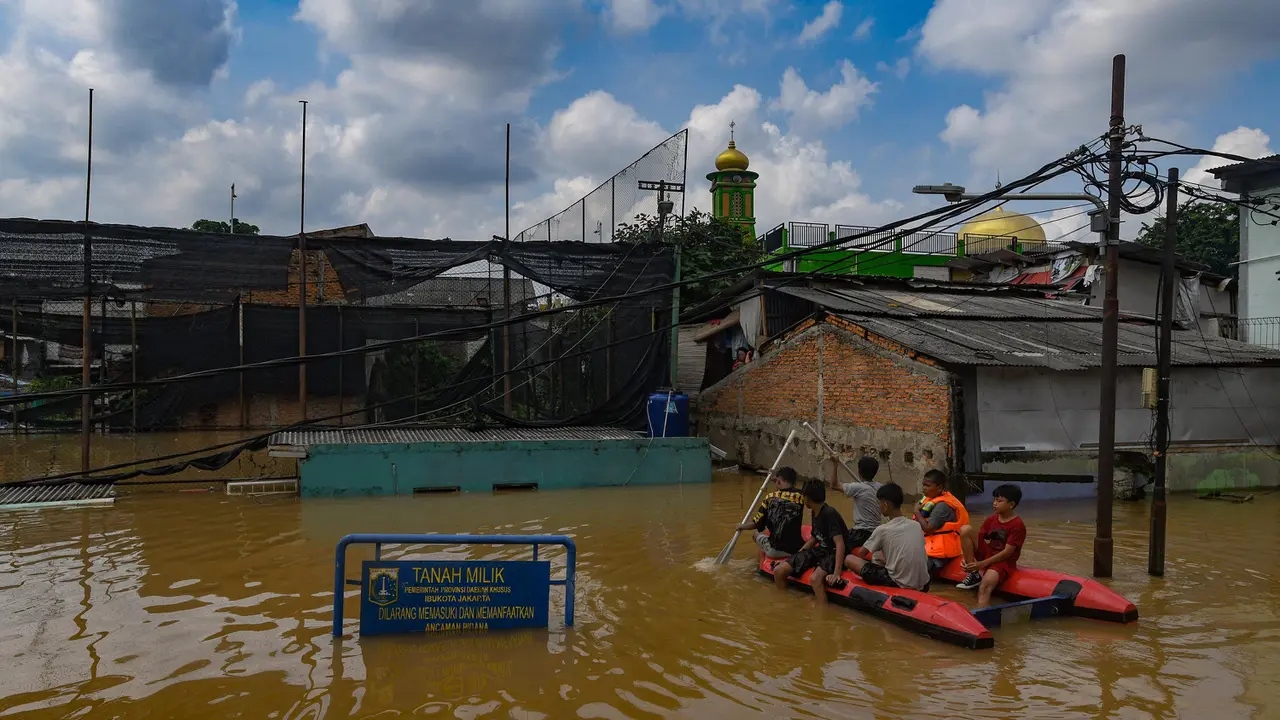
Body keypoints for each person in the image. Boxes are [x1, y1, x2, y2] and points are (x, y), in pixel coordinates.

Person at [771, 479, 848, 603]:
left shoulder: (829, 513)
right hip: (820, 550)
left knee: (815, 579)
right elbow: (814, 537)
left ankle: (821, 613)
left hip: (832, 552)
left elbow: (840, 544)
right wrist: (796, 556)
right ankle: (783, 603)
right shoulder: (814, 511)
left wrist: (836, 573)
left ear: (807, 499)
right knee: (779, 571)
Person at [844, 482, 930, 591]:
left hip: (898, 583)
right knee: (879, 554)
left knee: (849, 559)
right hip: (924, 584)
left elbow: (862, 553)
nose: (878, 507)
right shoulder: (916, 525)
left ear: (885, 505)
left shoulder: (882, 530)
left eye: (879, 503)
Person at [956, 484, 1027, 608]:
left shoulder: (1017, 525)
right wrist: (967, 559)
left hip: (1003, 562)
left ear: (1011, 504)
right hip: (989, 553)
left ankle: (980, 617)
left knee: (984, 588)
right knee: (965, 529)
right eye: (994, 499)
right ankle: (973, 574)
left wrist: (982, 564)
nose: (994, 503)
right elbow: (979, 539)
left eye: (999, 501)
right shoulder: (991, 519)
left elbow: (1007, 553)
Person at [735, 467, 805, 560]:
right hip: (796, 548)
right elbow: (788, 492)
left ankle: (759, 559)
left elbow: (756, 524)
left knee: (755, 534)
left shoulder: (769, 498)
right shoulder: (801, 496)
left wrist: (741, 526)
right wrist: (776, 480)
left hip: (776, 551)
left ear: (779, 481)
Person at [913, 469, 970, 576]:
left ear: (939, 488)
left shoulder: (943, 506)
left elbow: (928, 529)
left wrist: (916, 511)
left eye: (928, 486)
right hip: (927, 550)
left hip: (939, 556)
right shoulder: (929, 500)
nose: (924, 488)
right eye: (923, 485)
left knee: (914, 572)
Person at [828, 454, 881, 553]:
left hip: (862, 533)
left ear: (859, 472)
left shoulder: (858, 488)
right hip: (875, 532)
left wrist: (835, 464)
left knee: (833, 544)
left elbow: (833, 485)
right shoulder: (880, 487)